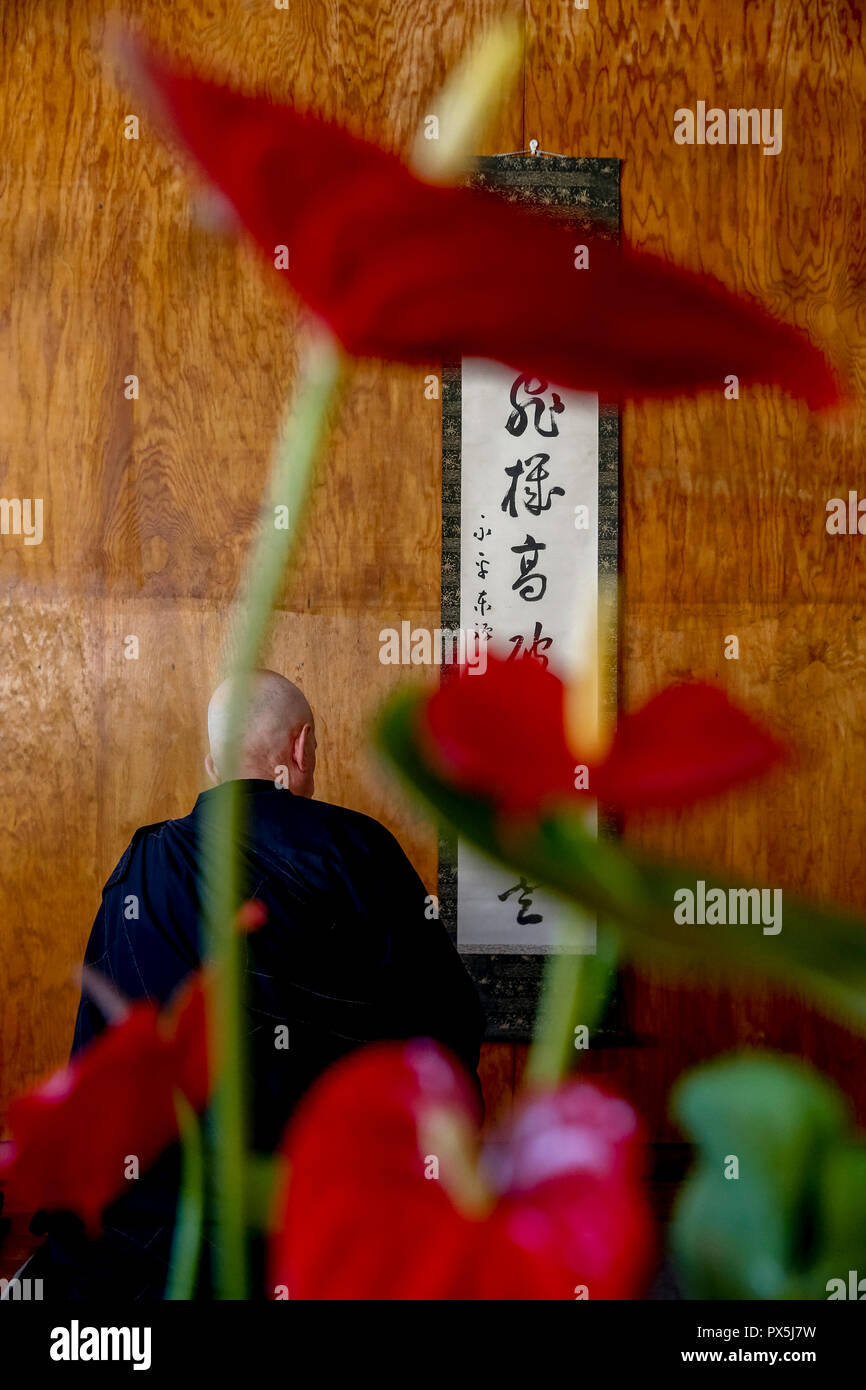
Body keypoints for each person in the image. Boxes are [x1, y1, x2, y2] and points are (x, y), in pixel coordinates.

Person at [28, 669, 485, 1299]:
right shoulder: (356, 849)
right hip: (319, 1216)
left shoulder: (140, 867)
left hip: (156, 1229)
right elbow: (444, 1018)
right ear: (300, 748)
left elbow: (99, 1052)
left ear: (214, 764)